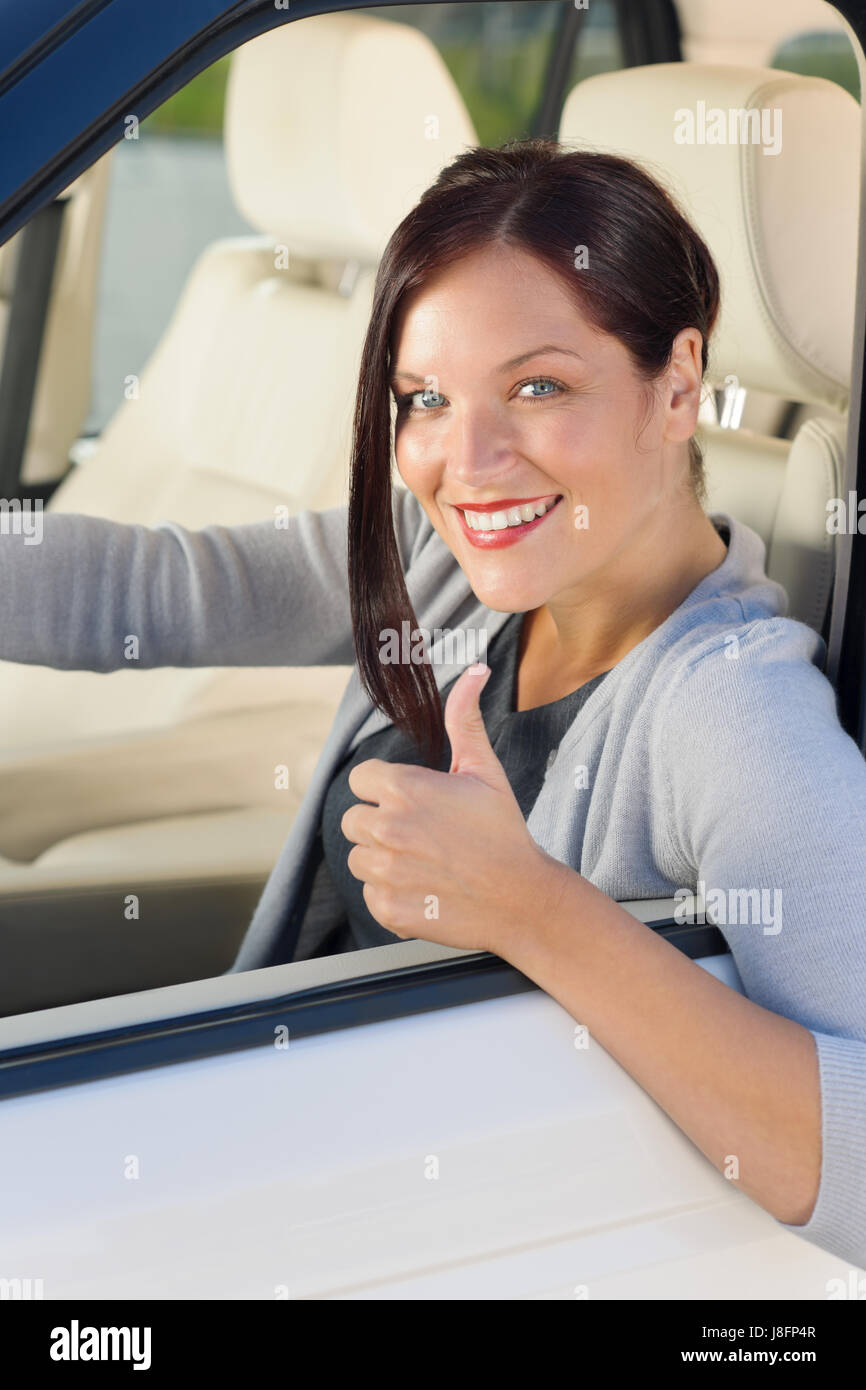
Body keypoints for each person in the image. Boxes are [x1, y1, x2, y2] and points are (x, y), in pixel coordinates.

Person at [1, 140, 864, 1270]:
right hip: (237, 1170)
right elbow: (145, 590)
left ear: (678, 383)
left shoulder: (731, 714)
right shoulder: (440, 557)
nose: (468, 461)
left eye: (537, 387)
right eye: (425, 400)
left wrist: (529, 907)